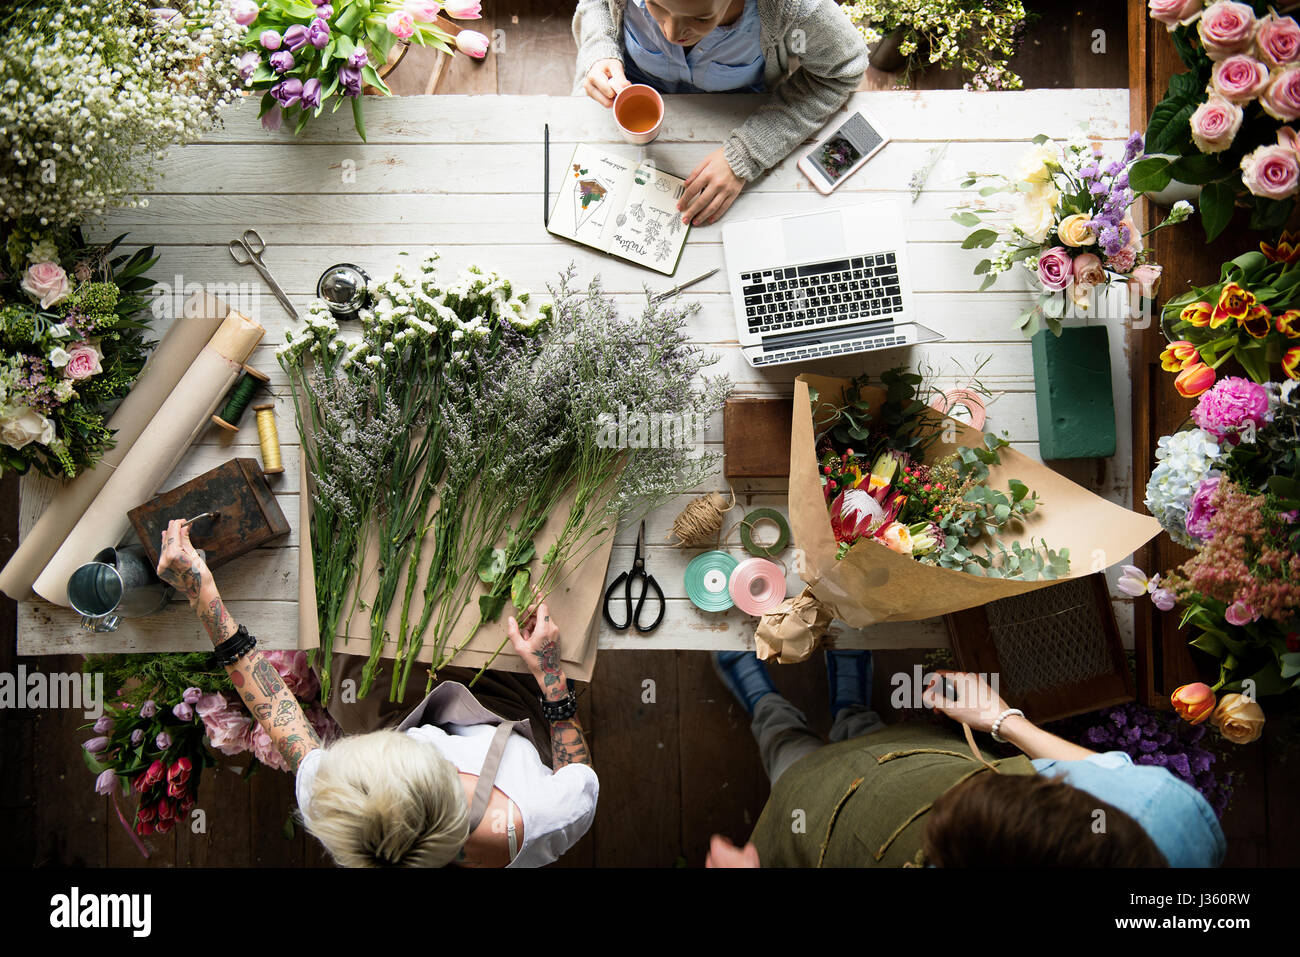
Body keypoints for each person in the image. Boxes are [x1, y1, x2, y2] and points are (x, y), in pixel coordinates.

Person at [154, 517, 598, 868]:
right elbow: (577, 771)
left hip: (393, 711)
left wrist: (201, 592)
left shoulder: (346, 808)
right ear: (441, 781)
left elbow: (280, 713)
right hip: (510, 702)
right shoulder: (544, 817)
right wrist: (551, 676)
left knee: (358, 581)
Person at [705, 649, 1226, 867]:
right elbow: (1103, 772)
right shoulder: (1168, 817)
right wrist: (1004, 722)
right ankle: (852, 709)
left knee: (790, 756)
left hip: (823, 826)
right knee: (871, 732)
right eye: (1036, 779)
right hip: (917, 757)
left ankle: (766, 706)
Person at [573, 0, 869, 225]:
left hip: (740, 126)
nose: (672, 32)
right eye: (655, 5)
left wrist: (748, 152)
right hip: (613, 113)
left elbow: (843, 68)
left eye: (701, 17)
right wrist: (599, 47)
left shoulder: (792, 8)